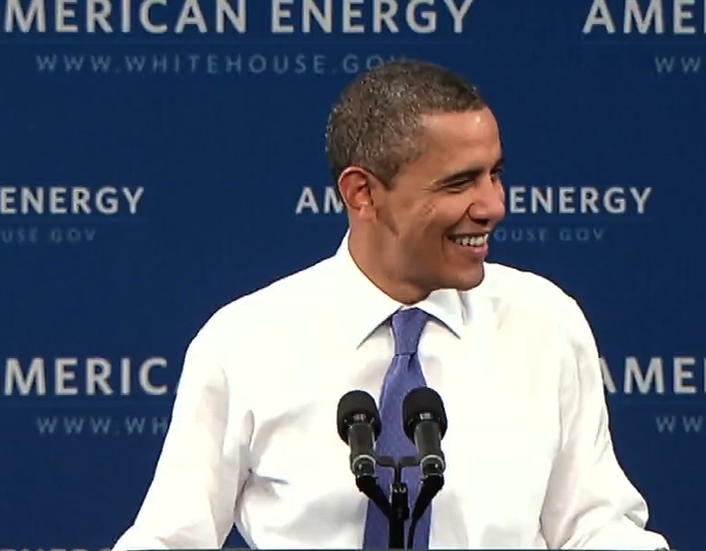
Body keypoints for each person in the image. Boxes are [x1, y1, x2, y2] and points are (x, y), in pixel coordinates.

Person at [111, 59, 669, 550]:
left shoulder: (543, 324)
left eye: (495, 174)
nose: (492, 206)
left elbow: (591, 525)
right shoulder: (245, 343)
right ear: (362, 193)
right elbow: (170, 538)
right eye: (459, 184)